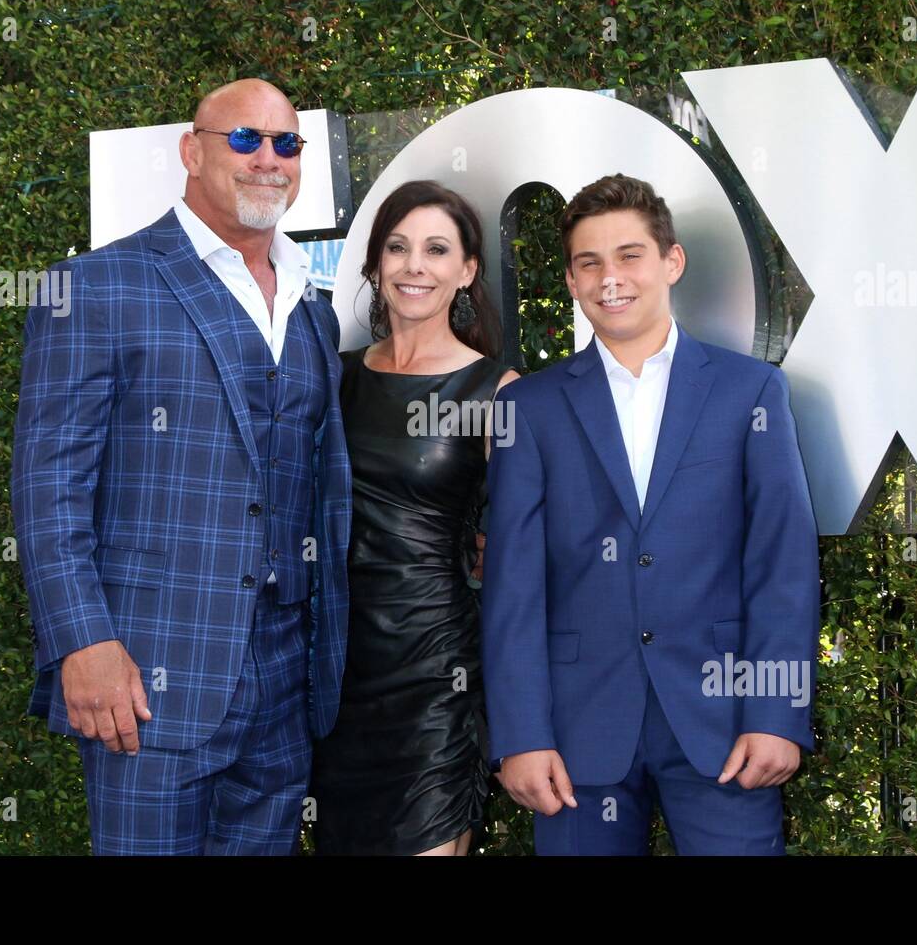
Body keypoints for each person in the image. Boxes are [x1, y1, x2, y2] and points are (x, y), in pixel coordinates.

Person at [12, 78, 352, 854]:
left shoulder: (313, 306)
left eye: (286, 143)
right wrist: (81, 642)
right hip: (145, 677)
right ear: (192, 152)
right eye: (245, 139)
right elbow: (48, 483)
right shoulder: (93, 287)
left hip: (286, 685)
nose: (268, 159)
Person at [482, 173, 821, 855]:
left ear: (671, 262)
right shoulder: (528, 410)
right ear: (573, 283)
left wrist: (779, 714)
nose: (611, 277)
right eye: (589, 262)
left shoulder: (750, 390)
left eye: (629, 255)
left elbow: (782, 563)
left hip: (726, 723)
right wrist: (521, 735)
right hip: (576, 737)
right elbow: (513, 587)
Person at [309, 180, 518, 855]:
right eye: (396, 248)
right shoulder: (332, 378)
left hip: (434, 677)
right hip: (332, 675)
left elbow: (528, 547)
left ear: (466, 271)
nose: (414, 266)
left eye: (436, 249)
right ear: (373, 266)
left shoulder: (496, 390)